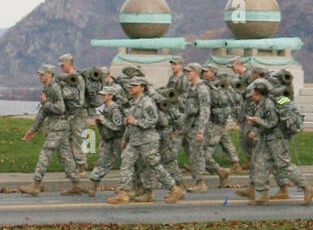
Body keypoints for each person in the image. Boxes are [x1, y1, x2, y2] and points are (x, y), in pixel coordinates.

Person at [105, 74, 185, 205]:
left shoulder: (147, 102)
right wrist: (125, 137)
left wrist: (135, 121)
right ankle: (123, 193)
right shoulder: (134, 102)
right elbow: (129, 122)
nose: (131, 88)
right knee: (126, 162)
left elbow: (152, 121)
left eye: (135, 86)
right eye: (130, 86)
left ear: (142, 87)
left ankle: (174, 189)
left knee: (154, 165)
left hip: (147, 140)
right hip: (135, 140)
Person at [23, 65, 85, 196]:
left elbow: (60, 108)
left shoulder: (54, 87)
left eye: (42, 74)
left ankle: (35, 185)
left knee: (45, 154)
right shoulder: (48, 87)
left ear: (49, 74)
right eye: (40, 74)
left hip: (58, 126)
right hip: (60, 126)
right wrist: (33, 129)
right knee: (66, 157)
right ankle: (76, 185)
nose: (40, 76)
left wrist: (46, 103)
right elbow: (43, 111)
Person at [181, 62, 227, 191]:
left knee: (197, 155)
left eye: (189, 72)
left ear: (196, 72)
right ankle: (220, 171)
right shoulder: (192, 87)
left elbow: (205, 110)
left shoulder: (202, 88)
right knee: (198, 153)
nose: (187, 74)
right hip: (191, 124)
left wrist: (200, 131)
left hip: (200, 125)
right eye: (186, 72)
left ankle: (200, 183)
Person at [85, 82, 125, 198]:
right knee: (102, 163)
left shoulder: (115, 108)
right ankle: (92, 186)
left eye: (105, 95)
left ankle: (125, 187)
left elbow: (118, 127)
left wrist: (104, 121)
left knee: (125, 164)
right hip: (108, 140)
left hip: (117, 140)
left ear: (111, 96)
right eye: (102, 95)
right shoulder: (106, 108)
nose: (102, 97)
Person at [202, 65, 243, 173]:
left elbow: (228, 100)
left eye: (207, 71)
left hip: (217, 117)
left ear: (213, 72)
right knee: (225, 139)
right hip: (216, 116)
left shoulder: (220, 84)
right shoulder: (208, 83)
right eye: (204, 71)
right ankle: (236, 163)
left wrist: (235, 116)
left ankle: (205, 163)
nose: (204, 73)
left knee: (211, 141)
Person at [57, 54, 89, 178]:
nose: (61, 68)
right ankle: (73, 168)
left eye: (63, 65)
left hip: (78, 113)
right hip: (70, 114)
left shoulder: (77, 78)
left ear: (69, 63)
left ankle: (81, 167)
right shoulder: (67, 78)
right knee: (69, 139)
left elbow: (79, 99)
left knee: (77, 139)